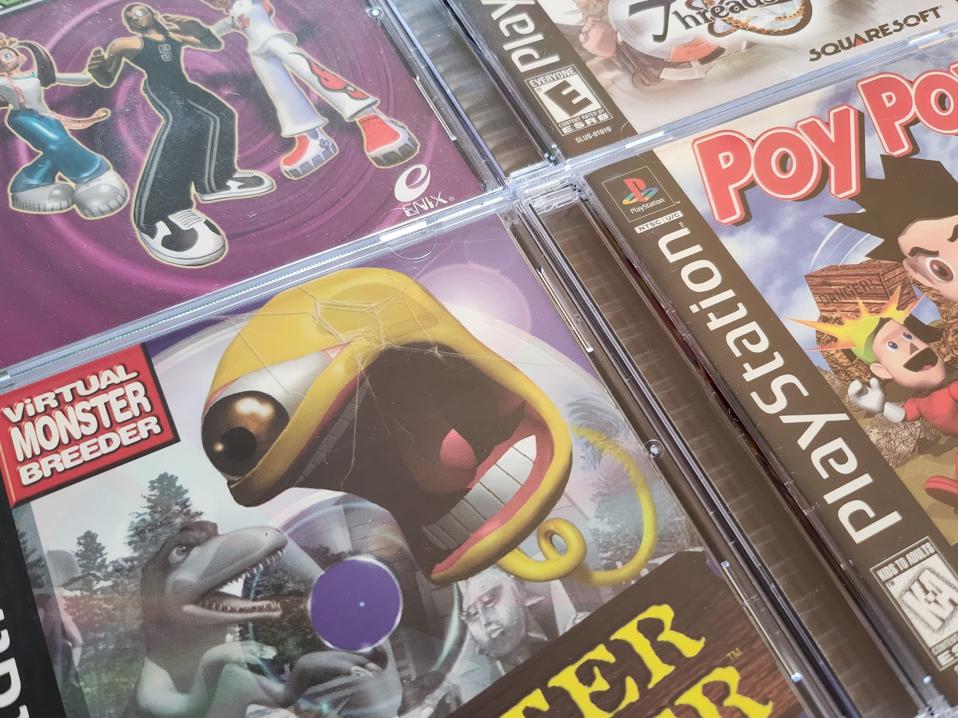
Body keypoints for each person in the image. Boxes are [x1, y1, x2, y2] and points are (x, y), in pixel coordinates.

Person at [86, 3, 274, 267]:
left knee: (222, 114)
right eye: (131, 18)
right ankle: (155, 212)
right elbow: (106, 78)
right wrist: (97, 70)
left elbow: (212, 45)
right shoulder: (126, 44)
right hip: (161, 88)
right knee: (184, 124)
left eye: (140, 14)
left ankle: (215, 180)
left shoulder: (173, 36)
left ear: (153, 14)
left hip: (183, 84)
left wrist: (198, 29)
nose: (136, 20)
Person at [200, 0, 419, 178]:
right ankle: (311, 138)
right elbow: (222, 27)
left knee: (312, 72)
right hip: (258, 51)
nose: (217, 3)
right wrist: (205, 34)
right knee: (280, 92)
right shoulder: (233, 13)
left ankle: (370, 119)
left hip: (274, 40)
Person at [796, 291, 958, 506]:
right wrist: (882, 406)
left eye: (908, 336)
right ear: (882, 371)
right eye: (893, 346)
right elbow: (903, 415)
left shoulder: (952, 388)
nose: (911, 347)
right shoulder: (918, 402)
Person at [0, 34, 128, 217]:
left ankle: (30, 183)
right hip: (23, 118)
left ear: (18, 55)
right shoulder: (3, 83)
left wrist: (92, 73)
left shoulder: (34, 75)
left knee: (58, 149)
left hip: (46, 117)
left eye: (6, 55)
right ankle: (93, 174)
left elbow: (80, 79)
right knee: (57, 144)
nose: (3, 61)